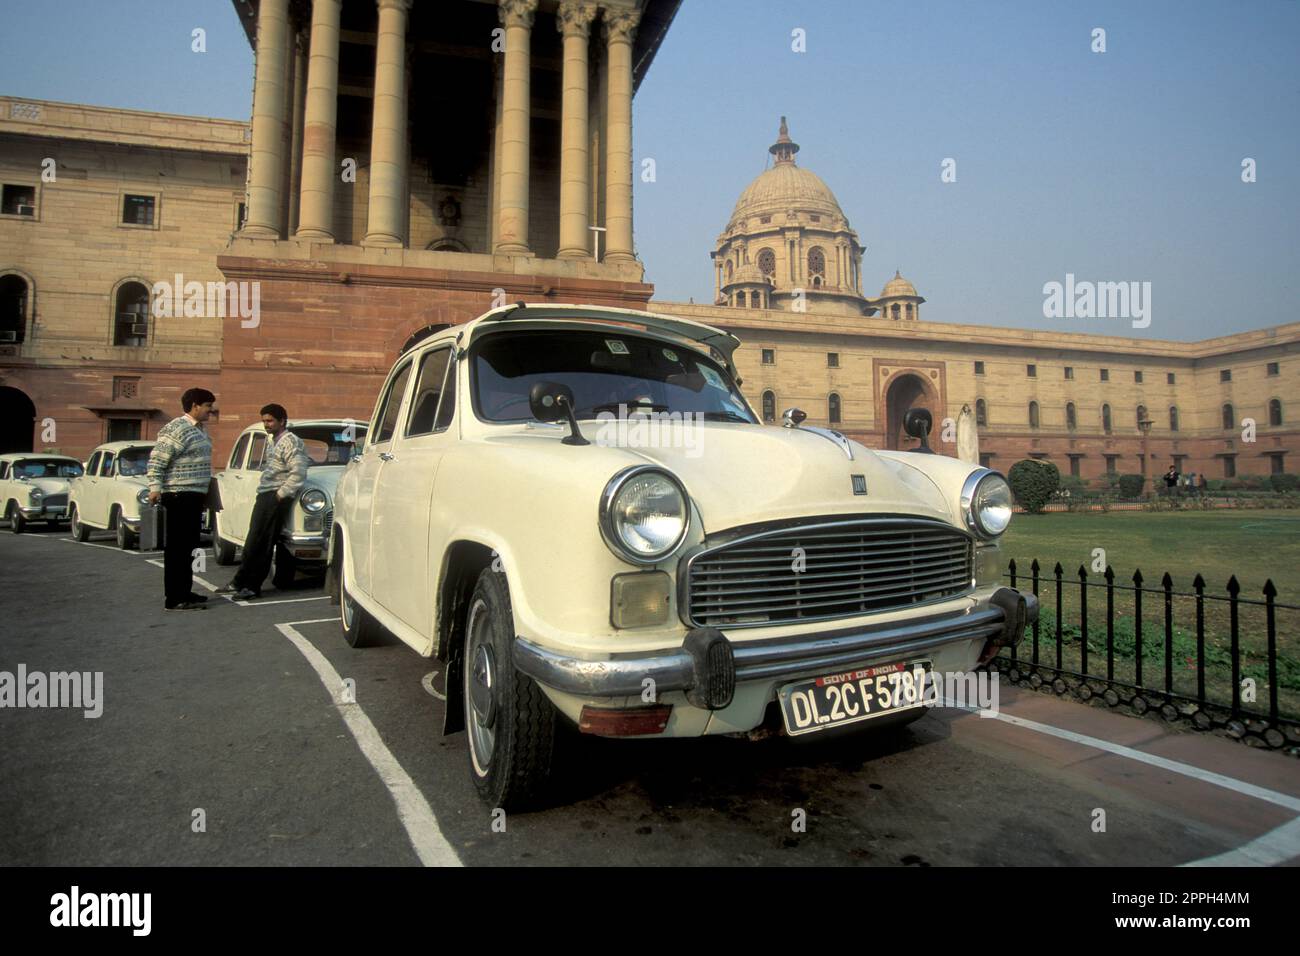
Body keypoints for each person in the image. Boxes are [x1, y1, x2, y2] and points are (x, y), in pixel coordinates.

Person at [218, 404, 309, 599]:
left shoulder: (291, 441)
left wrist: (281, 494)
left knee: (264, 543)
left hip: (275, 496)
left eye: (270, 421)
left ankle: (252, 586)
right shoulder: (273, 440)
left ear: (282, 421)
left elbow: (299, 472)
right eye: (264, 421)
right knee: (253, 541)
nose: (266, 424)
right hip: (266, 494)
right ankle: (239, 581)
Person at [146, 388, 216, 611]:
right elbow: (157, 459)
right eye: (207, 406)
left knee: (188, 547)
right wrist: (155, 487)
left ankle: (185, 591)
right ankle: (174, 597)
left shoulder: (200, 430)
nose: (210, 411)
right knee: (177, 548)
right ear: (195, 405)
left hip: (193, 496)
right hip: (178, 495)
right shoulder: (176, 428)